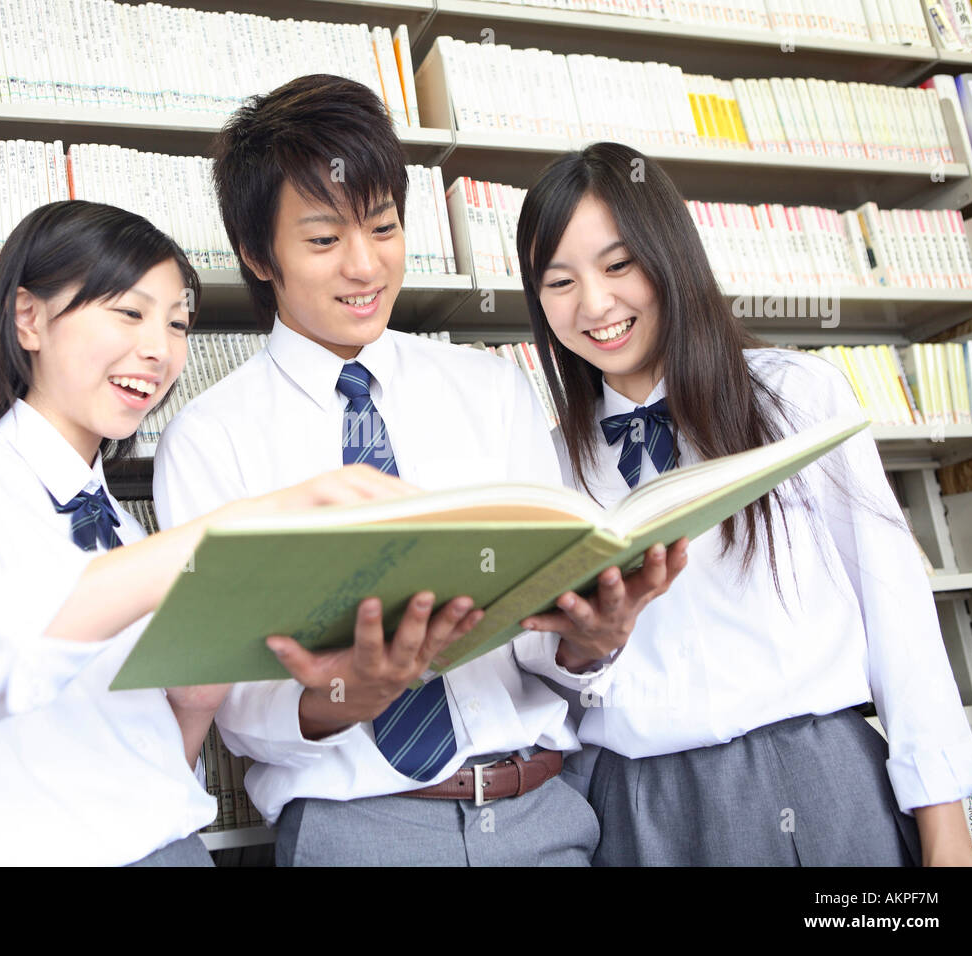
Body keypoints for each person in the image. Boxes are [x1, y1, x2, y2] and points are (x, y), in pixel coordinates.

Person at [0, 199, 476, 866]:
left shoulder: (130, 538)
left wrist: (196, 706)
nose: (159, 350)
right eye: (130, 313)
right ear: (29, 318)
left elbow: (147, 773)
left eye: (177, 324)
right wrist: (239, 525)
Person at [153, 75, 687, 866]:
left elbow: (541, 629)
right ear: (259, 256)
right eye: (325, 240)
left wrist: (589, 643)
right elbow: (231, 703)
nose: (365, 267)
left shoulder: (493, 389)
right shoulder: (209, 440)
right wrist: (350, 696)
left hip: (541, 812)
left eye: (383, 227)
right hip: (361, 830)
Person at [515, 141, 972, 866]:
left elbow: (899, 618)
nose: (595, 304)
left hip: (818, 775)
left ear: (670, 256)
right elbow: (541, 672)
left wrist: (945, 829)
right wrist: (585, 648)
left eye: (618, 266)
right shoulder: (546, 464)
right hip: (637, 807)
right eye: (559, 281)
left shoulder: (796, 395)